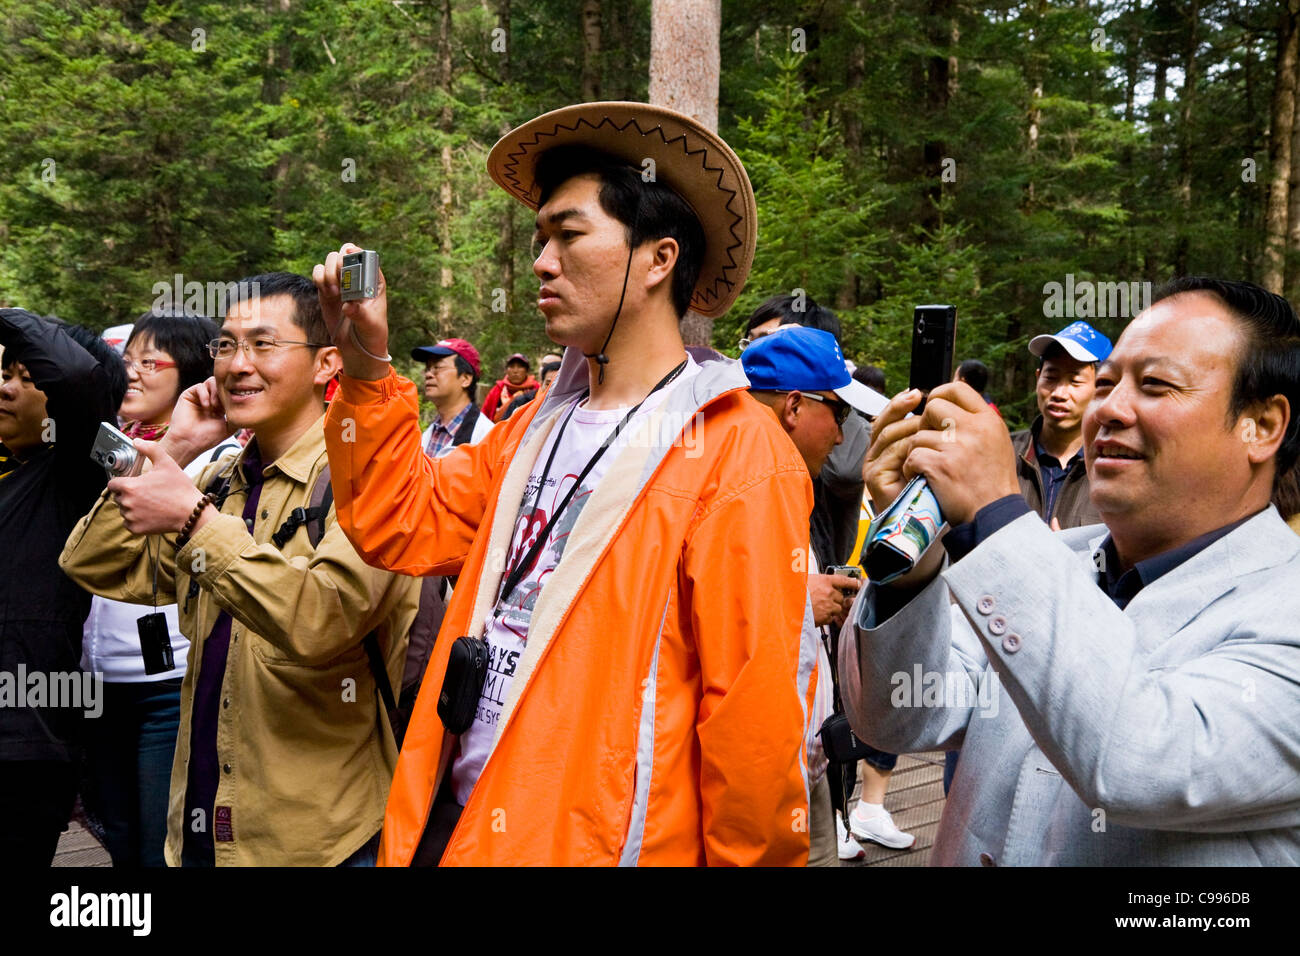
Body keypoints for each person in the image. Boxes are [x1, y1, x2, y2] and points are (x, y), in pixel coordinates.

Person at [318, 101, 816, 866]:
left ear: (658, 259)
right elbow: (396, 520)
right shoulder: (532, 429)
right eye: (540, 238)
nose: (542, 261)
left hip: (591, 845)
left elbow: (752, 725)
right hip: (453, 821)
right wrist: (364, 368)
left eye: (569, 234)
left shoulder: (738, 451)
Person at [843, 276, 1300, 865]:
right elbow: (900, 717)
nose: (1108, 408)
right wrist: (908, 558)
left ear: (1261, 426)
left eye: (1156, 385)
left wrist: (993, 514)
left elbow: (1141, 758)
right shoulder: (1056, 561)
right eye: (1106, 384)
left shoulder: (1285, 602)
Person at [60, 272, 420, 866]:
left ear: (327, 363)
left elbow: (321, 620)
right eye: (226, 345)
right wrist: (176, 448)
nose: (237, 365)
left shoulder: (366, 477)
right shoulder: (219, 478)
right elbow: (92, 564)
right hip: (200, 828)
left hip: (315, 841)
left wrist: (195, 521)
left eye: (263, 344)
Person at [79, 309, 241, 868]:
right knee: (115, 831)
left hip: (166, 684)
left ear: (192, 373)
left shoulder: (222, 461)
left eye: (151, 362)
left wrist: (175, 450)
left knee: (159, 840)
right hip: (98, 682)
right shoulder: (113, 449)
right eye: (127, 361)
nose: (132, 374)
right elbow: (85, 558)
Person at [742, 326, 883, 865]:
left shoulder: (789, 482)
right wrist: (802, 603)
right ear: (795, 406)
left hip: (806, 757)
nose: (843, 437)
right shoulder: (737, 487)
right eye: (840, 416)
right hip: (762, 778)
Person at [0, 309, 127, 865]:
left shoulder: (76, 471)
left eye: (28, 379)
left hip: (23, 740)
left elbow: (78, 379)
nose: (5, 388)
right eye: (3, 373)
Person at [1010, 321, 1112, 529]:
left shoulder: (1114, 467)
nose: (1058, 393)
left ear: (1101, 387)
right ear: (1038, 377)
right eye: (1051, 377)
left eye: (1075, 382)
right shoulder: (1002, 454)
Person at [411, 338, 493, 459]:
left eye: (438, 367)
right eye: (428, 368)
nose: (429, 374)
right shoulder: (429, 433)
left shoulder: (487, 437)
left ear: (465, 379)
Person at [481, 353, 539, 422]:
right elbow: (484, 415)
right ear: (506, 370)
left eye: (520, 367)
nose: (515, 371)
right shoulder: (498, 389)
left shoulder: (536, 389)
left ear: (527, 370)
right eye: (511, 366)